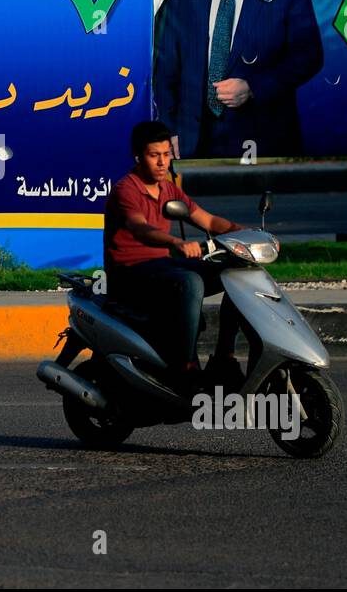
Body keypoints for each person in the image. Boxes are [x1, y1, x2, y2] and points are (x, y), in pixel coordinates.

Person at [156, 0, 323, 160]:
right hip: (192, 141)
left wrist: (254, 87)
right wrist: (170, 130)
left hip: (266, 138)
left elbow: (309, 57)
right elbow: (166, 70)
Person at [103, 120, 248, 393]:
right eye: (153, 155)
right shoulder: (127, 190)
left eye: (166, 154)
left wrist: (242, 232)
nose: (161, 162)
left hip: (163, 267)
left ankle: (224, 359)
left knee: (238, 273)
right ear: (138, 157)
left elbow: (207, 219)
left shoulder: (169, 188)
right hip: (131, 272)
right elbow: (139, 227)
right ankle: (185, 367)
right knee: (191, 281)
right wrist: (175, 242)